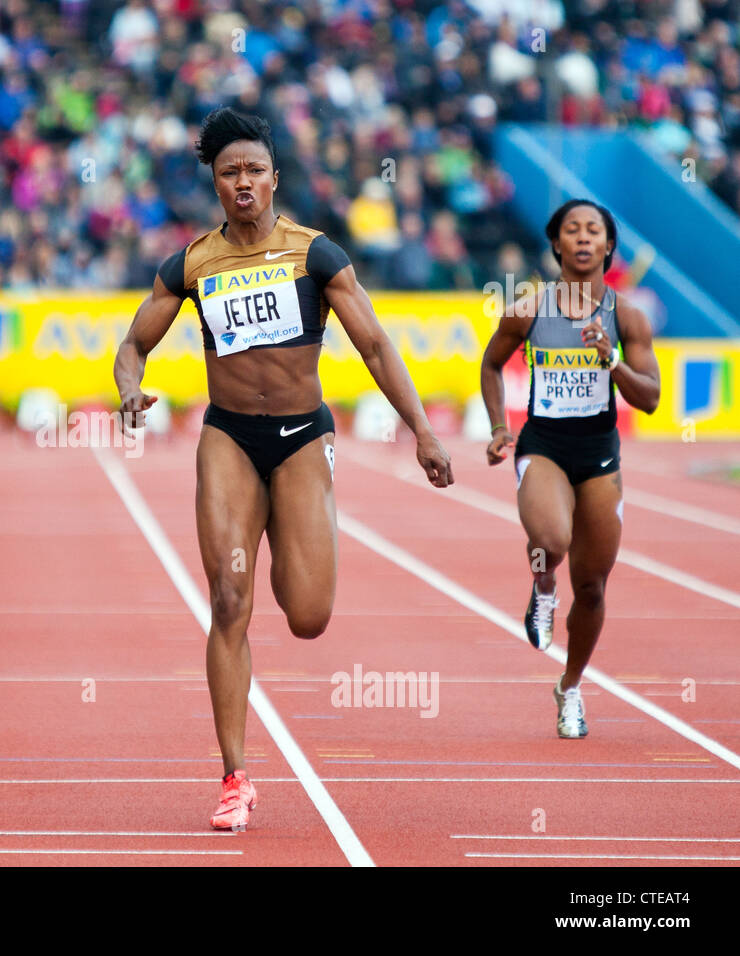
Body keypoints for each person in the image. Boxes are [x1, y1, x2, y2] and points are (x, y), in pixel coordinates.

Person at [113, 108, 454, 831]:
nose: (244, 183)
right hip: (229, 438)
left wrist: (422, 430)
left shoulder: (315, 254)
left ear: (275, 179)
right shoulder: (193, 262)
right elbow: (133, 343)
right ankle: (234, 775)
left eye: (255, 172)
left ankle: (287, 540)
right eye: (230, 172)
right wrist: (127, 389)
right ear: (215, 182)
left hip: (301, 438)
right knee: (229, 602)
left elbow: (376, 346)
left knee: (307, 615)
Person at [480, 199, 660, 739]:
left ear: (608, 247)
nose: (583, 238)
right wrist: (497, 428)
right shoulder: (529, 309)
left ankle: (571, 686)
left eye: (594, 231)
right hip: (544, 445)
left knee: (595, 587)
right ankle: (541, 586)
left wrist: (613, 359)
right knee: (551, 539)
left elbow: (650, 398)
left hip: (600, 454)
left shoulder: (626, 315)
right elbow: (490, 364)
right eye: (572, 230)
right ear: (556, 244)